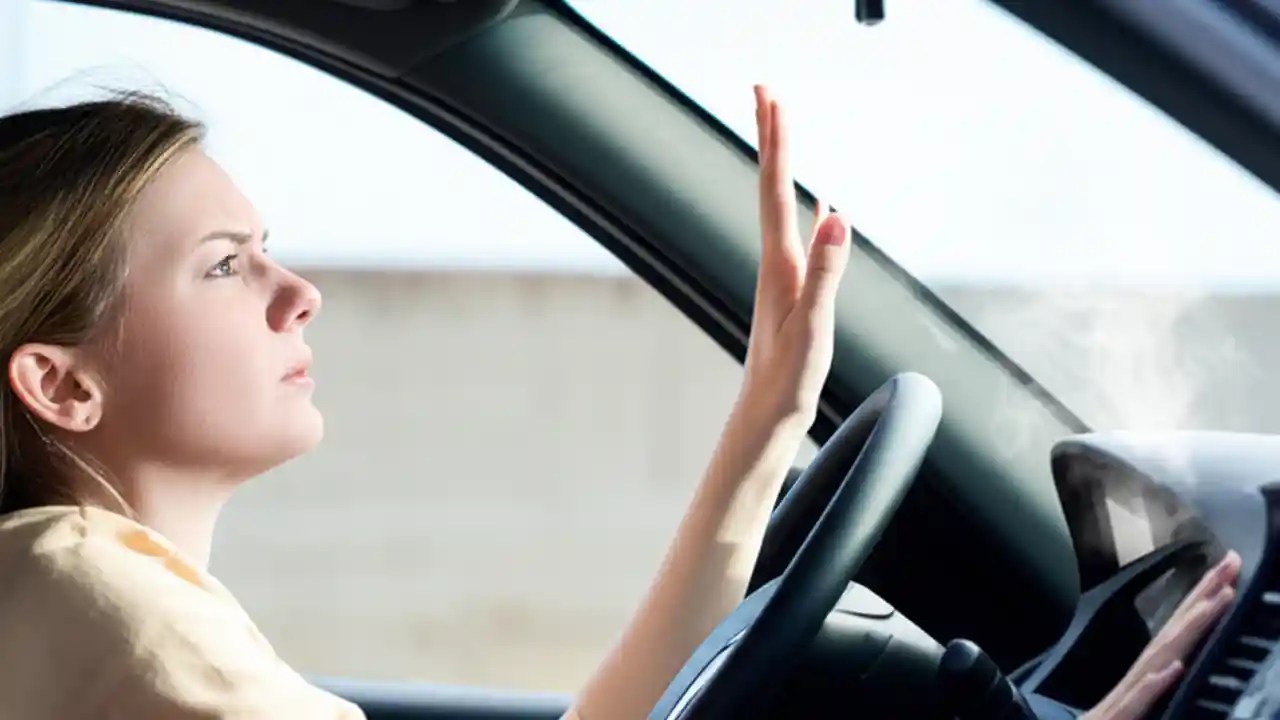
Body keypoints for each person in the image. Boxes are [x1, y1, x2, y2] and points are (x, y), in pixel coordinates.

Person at [0, 83, 1240, 720]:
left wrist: (766, 421)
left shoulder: (73, 586)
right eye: (225, 265)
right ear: (60, 381)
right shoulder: (100, 605)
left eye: (268, 247)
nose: (298, 292)